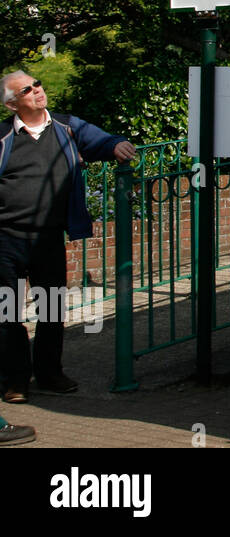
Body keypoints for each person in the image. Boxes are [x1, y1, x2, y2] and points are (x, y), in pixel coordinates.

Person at [0, 70, 136, 409]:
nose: (37, 91)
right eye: (27, 89)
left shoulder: (67, 127)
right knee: (7, 312)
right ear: (12, 103)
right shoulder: (2, 136)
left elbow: (99, 140)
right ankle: (15, 380)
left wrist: (115, 144)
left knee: (50, 307)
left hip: (48, 237)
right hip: (6, 239)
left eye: (38, 84)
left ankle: (49, 374)